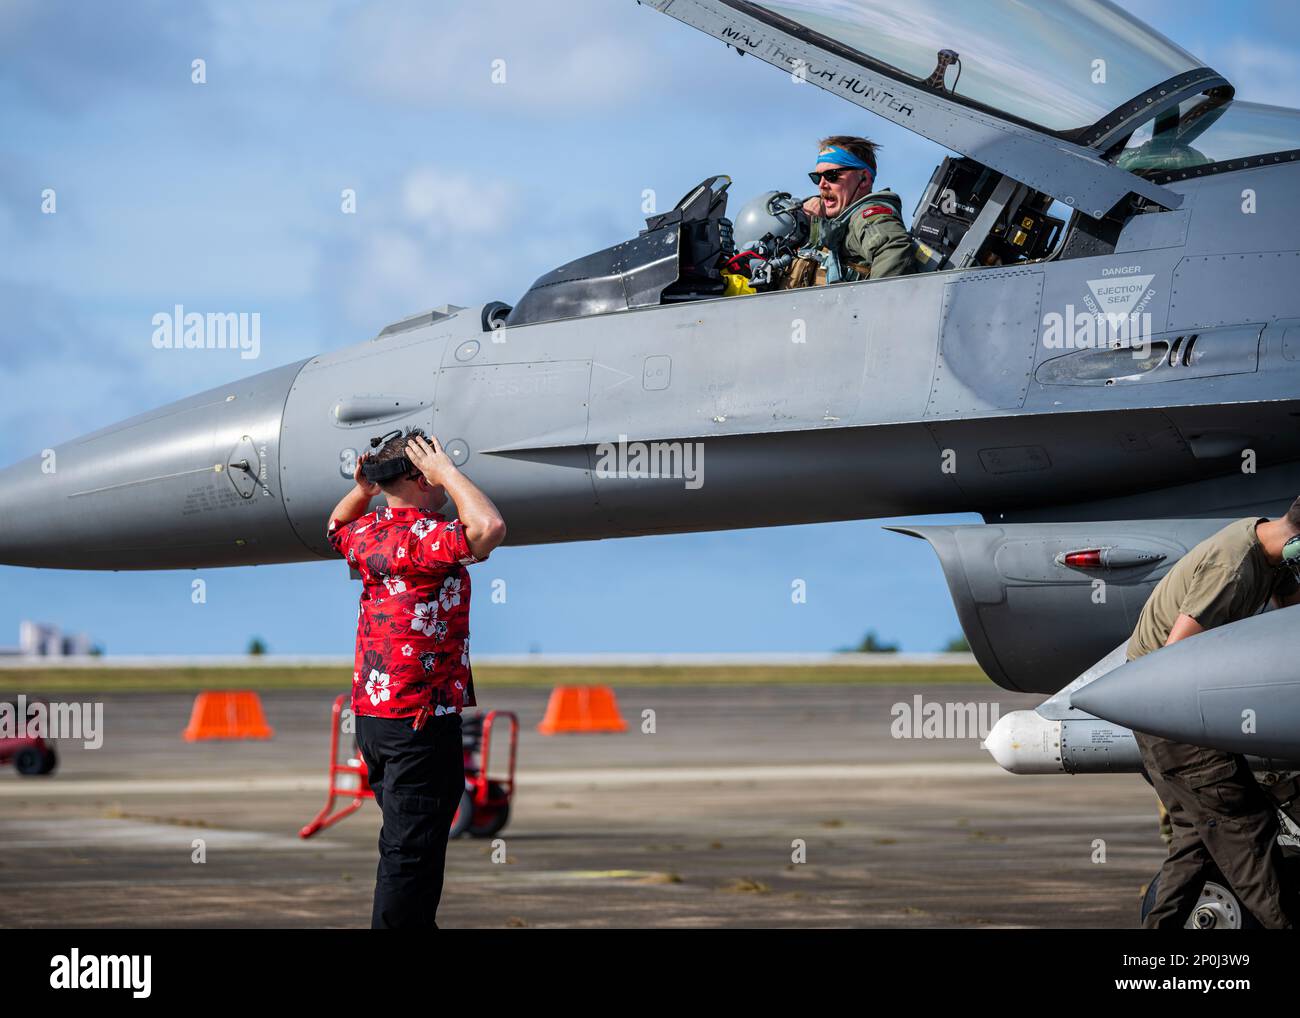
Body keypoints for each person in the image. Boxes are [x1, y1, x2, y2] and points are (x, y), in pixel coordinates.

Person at [326, 427, 506, 929]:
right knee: (411, 853)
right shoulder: (424, 537)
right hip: (420, 720)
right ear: (419, 477)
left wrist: (363, 490)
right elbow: (488, 526)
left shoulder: (367, 535)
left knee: (408, 841)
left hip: (375, 718)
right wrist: (447, 473)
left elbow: (335, 524)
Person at [1128, 501, 1300, 929]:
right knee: (1244, 825)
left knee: (1195, 839)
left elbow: (1292, 610)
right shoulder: (1234, 567)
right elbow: (1177, 654)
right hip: (1171, 710)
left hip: (1164, 711)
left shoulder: (1267, 547)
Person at [797, 135, 916, 283]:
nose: (821, 184)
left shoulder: (865, 215)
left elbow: (893, 249)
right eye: (817, 177)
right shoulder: (840, 222)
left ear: (864, 179)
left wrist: (875, 303)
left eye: (831, 175)